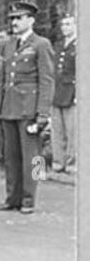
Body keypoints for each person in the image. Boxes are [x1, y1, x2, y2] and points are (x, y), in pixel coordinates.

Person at [0, 0, 54, 213]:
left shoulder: (41, 44)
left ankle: (30, 199)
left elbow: (46, 80)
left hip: (29, 108)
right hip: (9, 107)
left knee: (33, 157)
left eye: (19, 18)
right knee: (11, 157)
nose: (15, 22)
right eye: (12, 19)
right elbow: (2, 77)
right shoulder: (8, 44)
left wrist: (43, 113)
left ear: (31, 20)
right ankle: (12, 197)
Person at [50, 15, 76, 172]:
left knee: (72, 131)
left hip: (72, 93)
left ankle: (72, 164)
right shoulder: (58, 45)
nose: (64, 27)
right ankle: (58, 162)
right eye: (63, 24)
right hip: (57, 92)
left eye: (68, 24)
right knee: (57, 131)